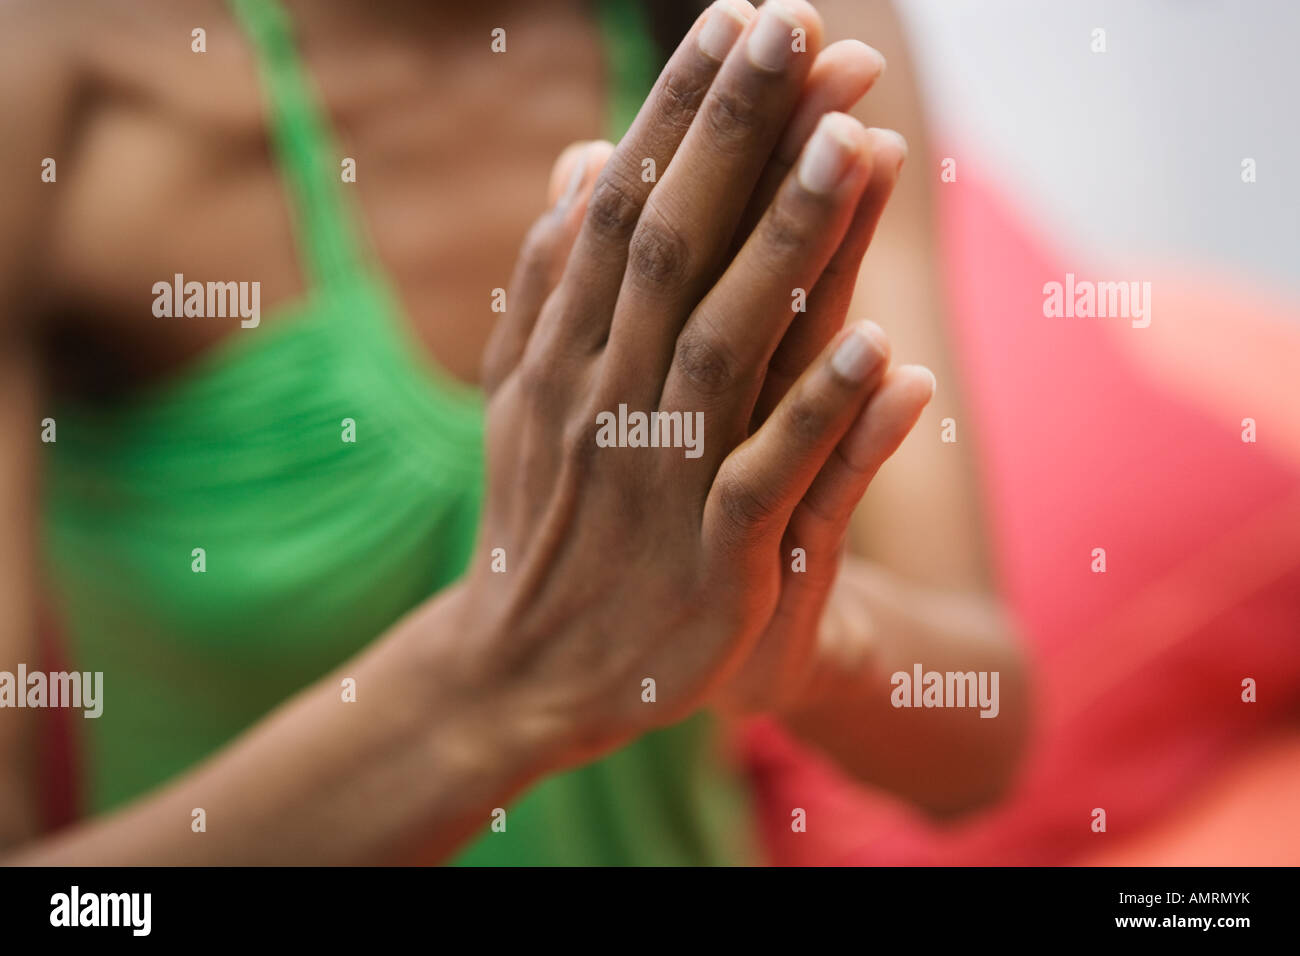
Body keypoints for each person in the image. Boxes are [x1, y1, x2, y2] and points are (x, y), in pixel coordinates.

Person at [0, 0, 1025, 865]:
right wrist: (496, 684)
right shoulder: (55, 59)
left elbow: (984, 731)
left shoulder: (786, 32)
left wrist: (793, 635)